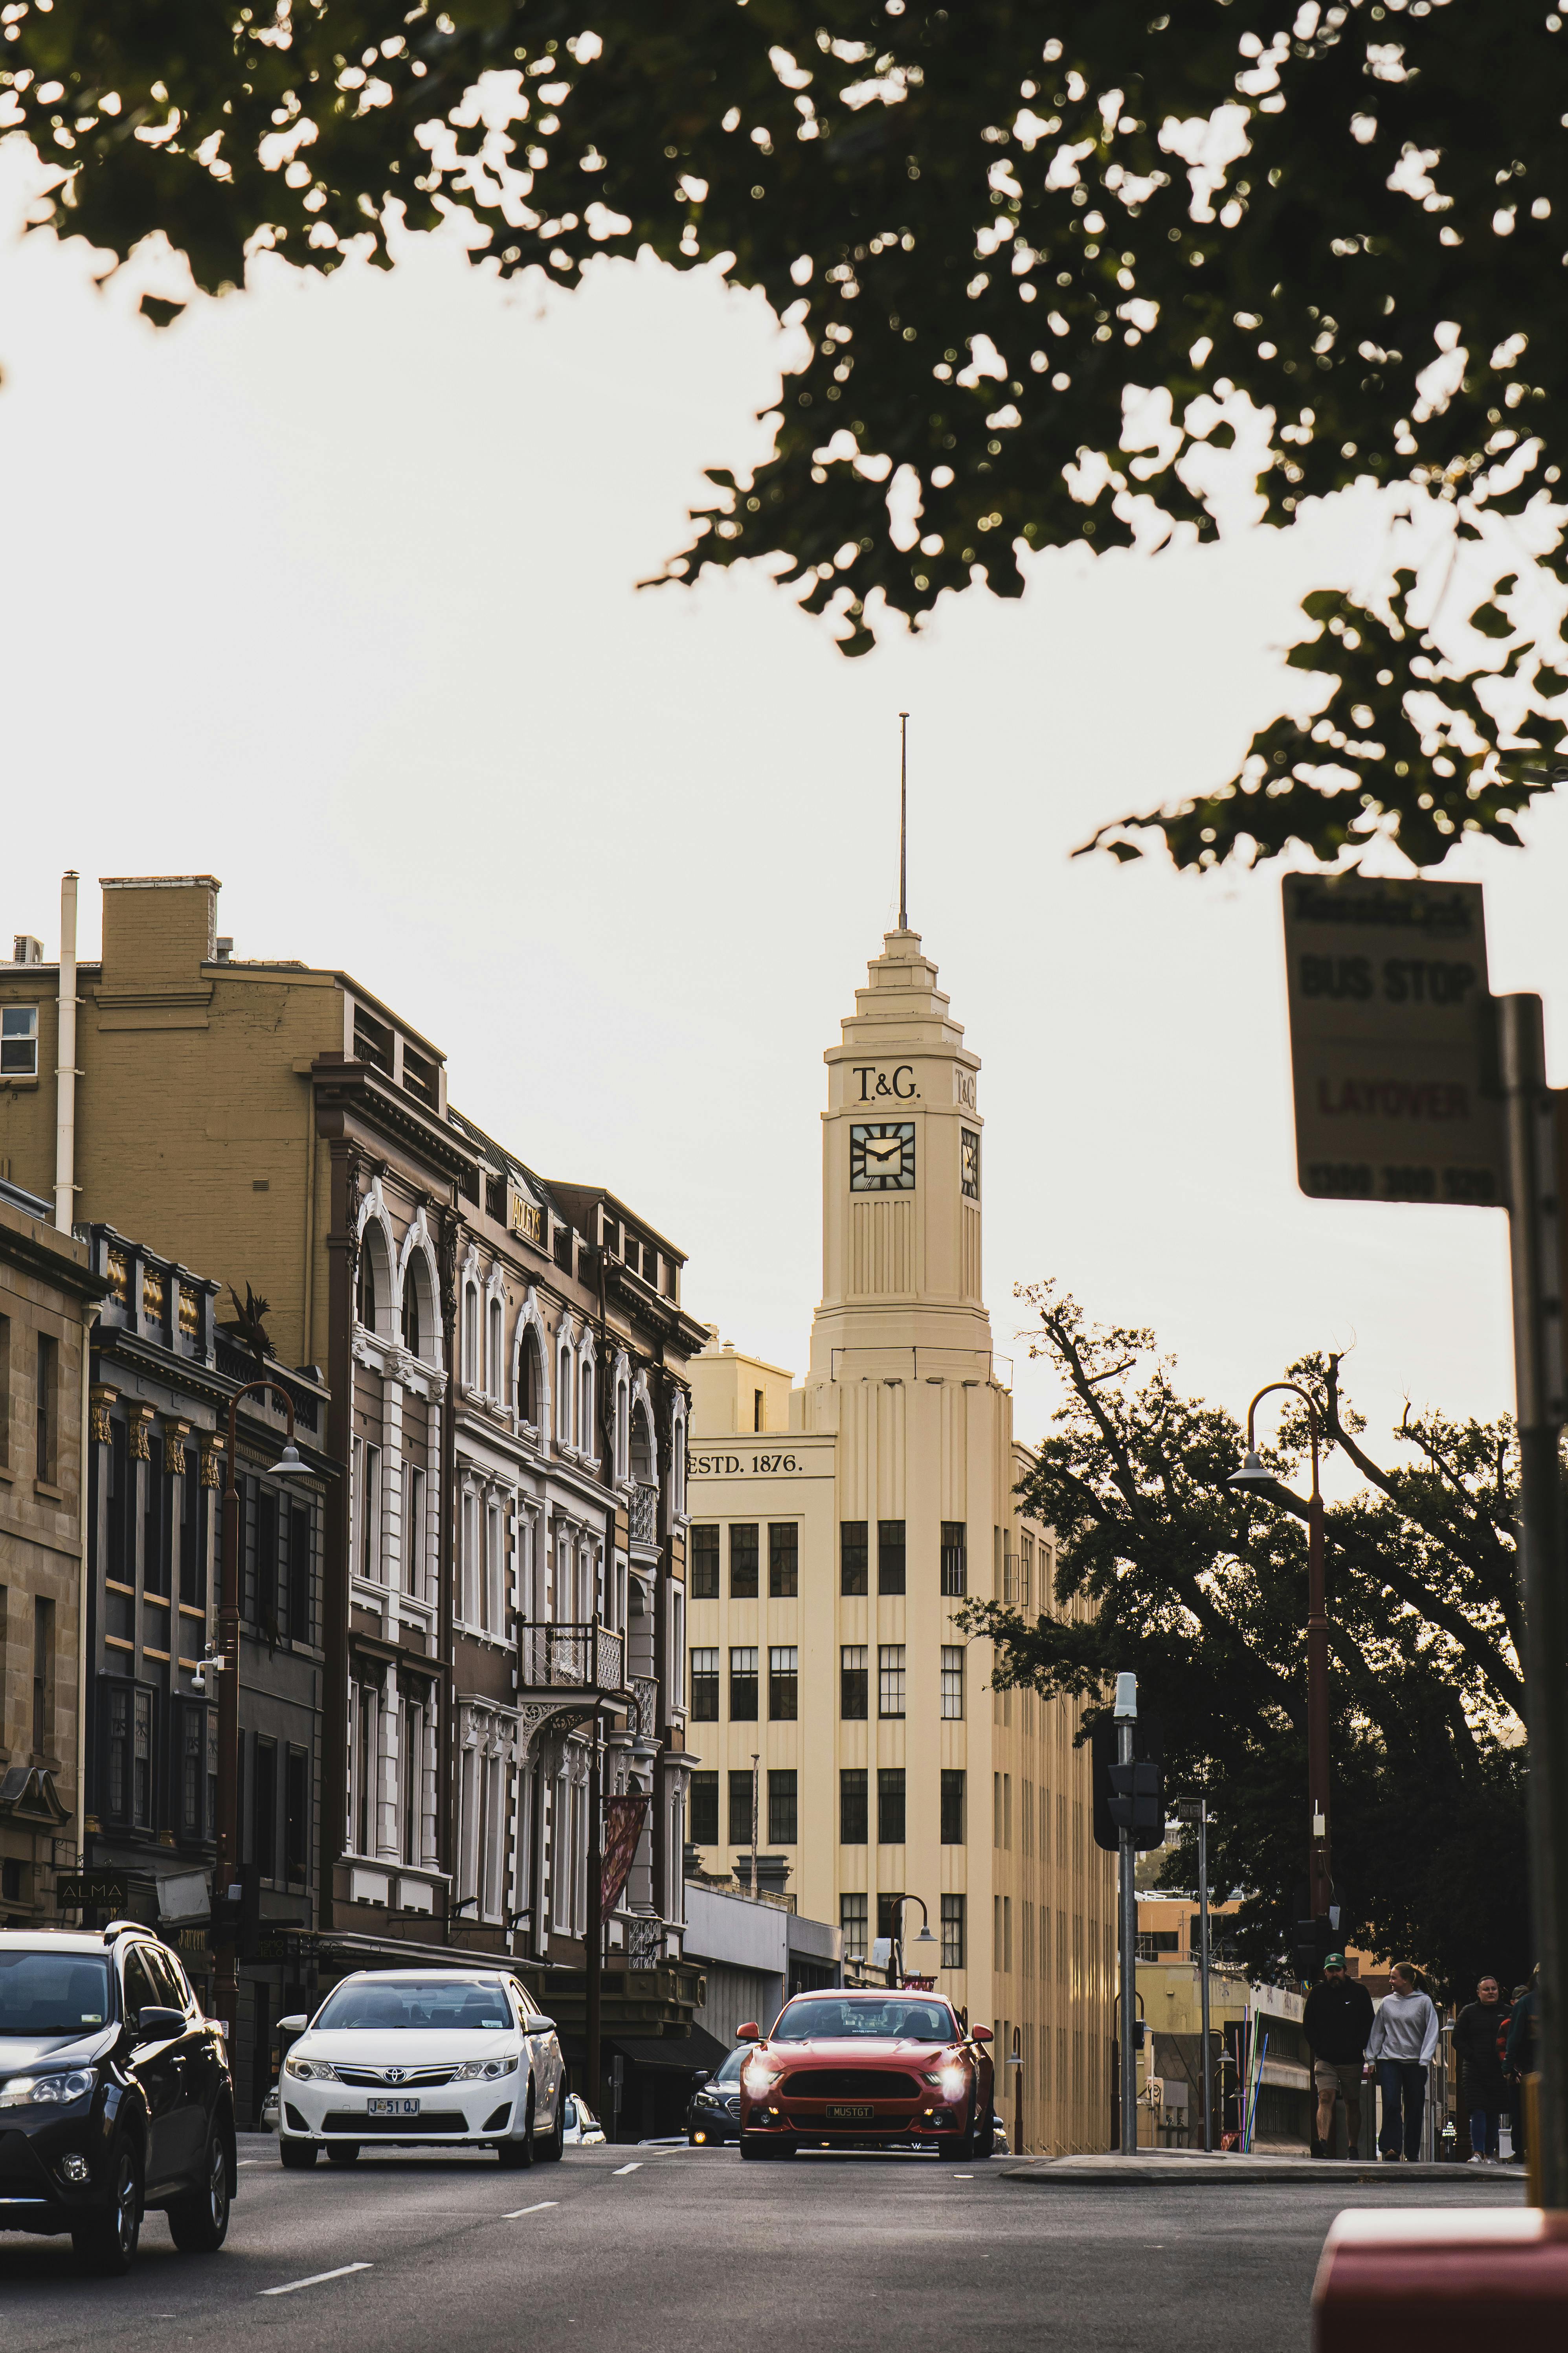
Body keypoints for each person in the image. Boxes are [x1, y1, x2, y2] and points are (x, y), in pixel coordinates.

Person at [1303, 1952, 1375, 2158]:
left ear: (1345, 1971)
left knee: (1353, 2102)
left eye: (1338, 1970)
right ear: (1325, 1972)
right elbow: (1308, 2026)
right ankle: (1323, 2142)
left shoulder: (1360, 1993)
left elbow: (1369, 2023)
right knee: (1325, 2097)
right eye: (1330, 1970)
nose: (1334, 1974)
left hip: (1352, 2059)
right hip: (1325, 2059)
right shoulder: (1317, 1994)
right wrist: (1318, 2047)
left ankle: (1353, 2147)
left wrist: (1358, 2046)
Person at [1367, 1961, 1440, 2161]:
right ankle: (1391, 2148)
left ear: (1406, 1980)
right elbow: (1378, 2031)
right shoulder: (1387, 2003)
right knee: (1391, 2104)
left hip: (1416, 2063)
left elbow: (1432, 2031)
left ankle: (1412, 2151)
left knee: (1415, 2107)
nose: (1390, 1981)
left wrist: (1425, 2058)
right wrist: (1372, 2058)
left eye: (1394, 1978)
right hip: (1389, 2060)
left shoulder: (1424, 2002)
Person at [1453, 1974, 1509, 2162]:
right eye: (1486, 1989)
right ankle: (1477, 2153)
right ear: (1479, 1993)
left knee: (1494, 2112)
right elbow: (1457, 2038)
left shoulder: (1508, 2012)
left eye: (1494, 1989)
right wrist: (1471, 2055)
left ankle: (1489, 2154)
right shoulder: (1468, 2013)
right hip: (1474, 2071)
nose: (1491, 1992)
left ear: (1499, 1991)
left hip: (1498, 2070)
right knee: (1478, 2110)